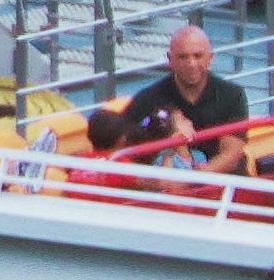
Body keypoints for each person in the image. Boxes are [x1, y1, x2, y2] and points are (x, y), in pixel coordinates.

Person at [106, 23, 253, 174]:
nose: (191, 63)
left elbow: (232, 152)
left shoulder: (232, 95)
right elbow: (120, 143)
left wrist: (198, 177)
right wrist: (167, 126)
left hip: (224, 184)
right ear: (170, 59)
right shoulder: (148, 99)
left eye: (198, 56)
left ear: (210, 58)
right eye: (183, 57)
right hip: (169, 187)